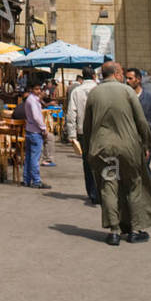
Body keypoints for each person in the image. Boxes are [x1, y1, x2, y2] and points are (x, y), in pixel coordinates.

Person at [82, 60, 151, 246]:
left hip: (102, 149)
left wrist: (88, 150)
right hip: (128, 147)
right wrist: (147, 144)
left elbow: (87, 127)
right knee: (133, 185)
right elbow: (141, 121)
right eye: (121, 72)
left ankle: (114, 231)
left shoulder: (94, 94)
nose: (123, 75)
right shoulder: (127, 91)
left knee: (108, 186)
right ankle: (135, 229)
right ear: (116, 73)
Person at [124, 67, 151, 204]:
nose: (127, 81)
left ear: (138, 79)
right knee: (139, 168)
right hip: (131, 139)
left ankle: (149, 197)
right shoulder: (125, 97)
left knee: (142, 167)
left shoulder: (148, 98)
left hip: (148, 140)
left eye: (130, 78)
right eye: (127, 78)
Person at [66, 67, 99, 204]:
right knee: (99, 161)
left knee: (87, 162)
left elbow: (71, 113)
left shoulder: (76, 91)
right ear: (93, 76)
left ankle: (91, 192)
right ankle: (100, 191)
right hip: (99, 131)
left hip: (82, 132)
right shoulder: (99, 90)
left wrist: (71, 135)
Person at [22, 83, 51, 189]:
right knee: (34, 157)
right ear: (31, 89)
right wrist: (43, 128)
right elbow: (36, 116)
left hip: (30, 131)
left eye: (39, 89)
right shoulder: (32, 100)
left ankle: (26, 179)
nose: (39, 91)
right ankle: (36, 181)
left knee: (29, 157)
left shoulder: (32, 99)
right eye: (36, 89)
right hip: (35, 132)